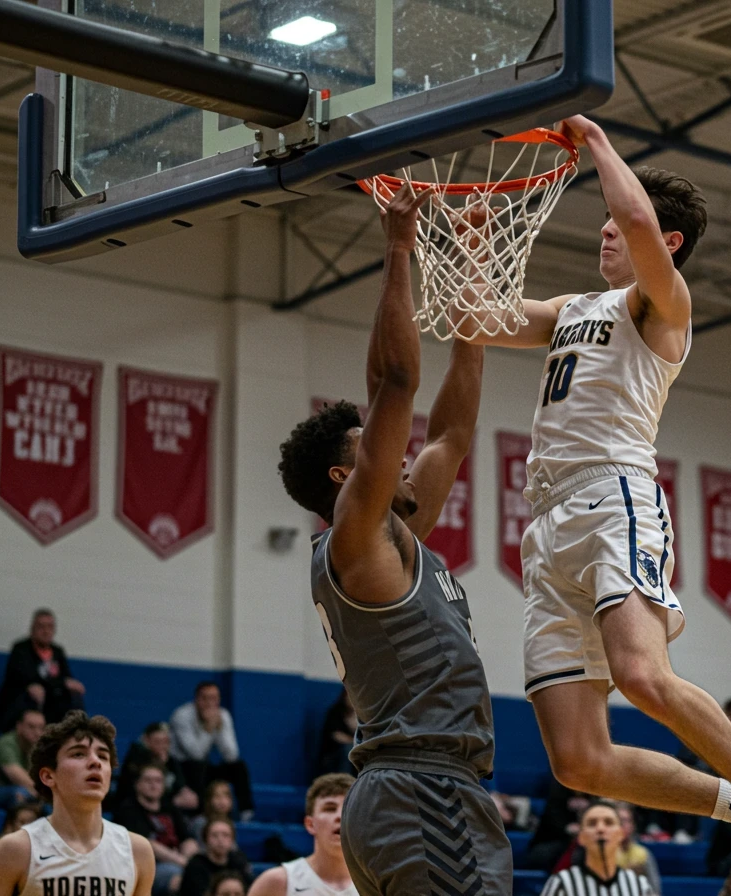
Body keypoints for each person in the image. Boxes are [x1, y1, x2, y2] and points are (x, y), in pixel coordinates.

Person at [457, 114, 731, 896]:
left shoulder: (663, 305)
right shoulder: (572, 309)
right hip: (547, 522)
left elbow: (633, 214)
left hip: (612, 496)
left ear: (669, 245)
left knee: (642, 676)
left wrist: (592, 139)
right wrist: (471, 240)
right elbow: (474, 318)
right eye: (603, 225)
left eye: (623, 228)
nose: (606, 232)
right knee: (578, 760)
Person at [277, 183, 503, 895]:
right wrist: (399, 247)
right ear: (349, 477)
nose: (404, 457)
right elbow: (396, 382)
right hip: (420, 788)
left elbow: (453, 428)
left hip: (419, 786)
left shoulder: (396, 536)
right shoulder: (358, 538)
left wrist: (472, 260)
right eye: (378, 451)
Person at [0, 711, 154, 896]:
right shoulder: (16, 849)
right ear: (48, 776)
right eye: (78, 754)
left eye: (103, 756)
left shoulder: (137, 851)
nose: (95, 762)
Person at [246, 774, 357, 896]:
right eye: (330, 809)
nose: (340, 816)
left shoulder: (376, 885)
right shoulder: (277, 882)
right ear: (310, 824)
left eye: (349, 808)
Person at [169, 682, 255, 818]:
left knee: (238, 767)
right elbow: (195, 754)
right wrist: (209, 728)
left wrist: (219, 729)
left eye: (214, 698)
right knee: (198, 766)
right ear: (196, 699)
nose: (210, 703)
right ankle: (199, 814)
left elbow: (231, 755)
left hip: (203, 767)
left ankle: (246, 812)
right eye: (205, 698)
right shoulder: (182, 715)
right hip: (182, 768)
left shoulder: (223, 715)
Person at [115, 762, 200, 895]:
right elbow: (148, 845)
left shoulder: (170, 808)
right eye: (148, 780)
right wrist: (183, 862)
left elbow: (188, 840)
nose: (153, 785)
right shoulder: (128, 809)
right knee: (179, 878)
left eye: (158, 781)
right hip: (146, 867)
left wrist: (189, 859)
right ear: (137, 784)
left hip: (177, 861)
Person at [539, 800, 654, 896]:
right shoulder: (561, 883)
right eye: (592, 823)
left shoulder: (639, 885)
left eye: (608, 822)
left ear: (621, 834)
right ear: (581, 837)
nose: (600, 829)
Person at [0, 609, 86, 729]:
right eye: (41, 626)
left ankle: (77, 734)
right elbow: (26, 677)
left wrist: (69, 684)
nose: (46, 631)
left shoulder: (57, 651)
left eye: (50, 627)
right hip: (23, 701)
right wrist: (60, 683)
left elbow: (66, 678)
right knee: (35, 692)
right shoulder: (21, 649)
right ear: (32, 629)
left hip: (50, 702)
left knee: (73, 696)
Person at [0, 708, 46, 808]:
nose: (37, 732)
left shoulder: (38, 748)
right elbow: (17, 776)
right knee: (21, 794)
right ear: (19, 726)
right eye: (31, 727)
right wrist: (46, 793)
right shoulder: (6, 743)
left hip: (18, 789)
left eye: (41, 728)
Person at [120, 722, 200, 812]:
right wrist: (173, 802)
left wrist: (187, 794)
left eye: (166, 742)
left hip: (167, 809)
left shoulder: (170, 760)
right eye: (157, 741)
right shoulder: (135, 761)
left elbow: (180, 784)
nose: (163, 746)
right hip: (138, 811)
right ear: (146, 741)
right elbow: (141, 795)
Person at [177, 816, 249, 896]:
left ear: (232, 840)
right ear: (205, 839)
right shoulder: (195, 866)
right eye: (214, 835)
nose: (220, 840)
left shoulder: (238, 862)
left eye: (225, 835)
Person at [615, 803, 661, 894]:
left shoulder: (643, 854)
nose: (622, 825)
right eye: (619, 821)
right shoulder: (602, 854)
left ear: (633, 825)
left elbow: (655, 890)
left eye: (626, 821)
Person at [315, 688, 357, 776]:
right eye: (351, 697)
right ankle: (345, 782)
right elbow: (337, 736)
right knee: (349, 750)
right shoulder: (335, 712)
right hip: (332, 756)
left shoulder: (361, 717)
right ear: (344, 697)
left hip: (354, 753)